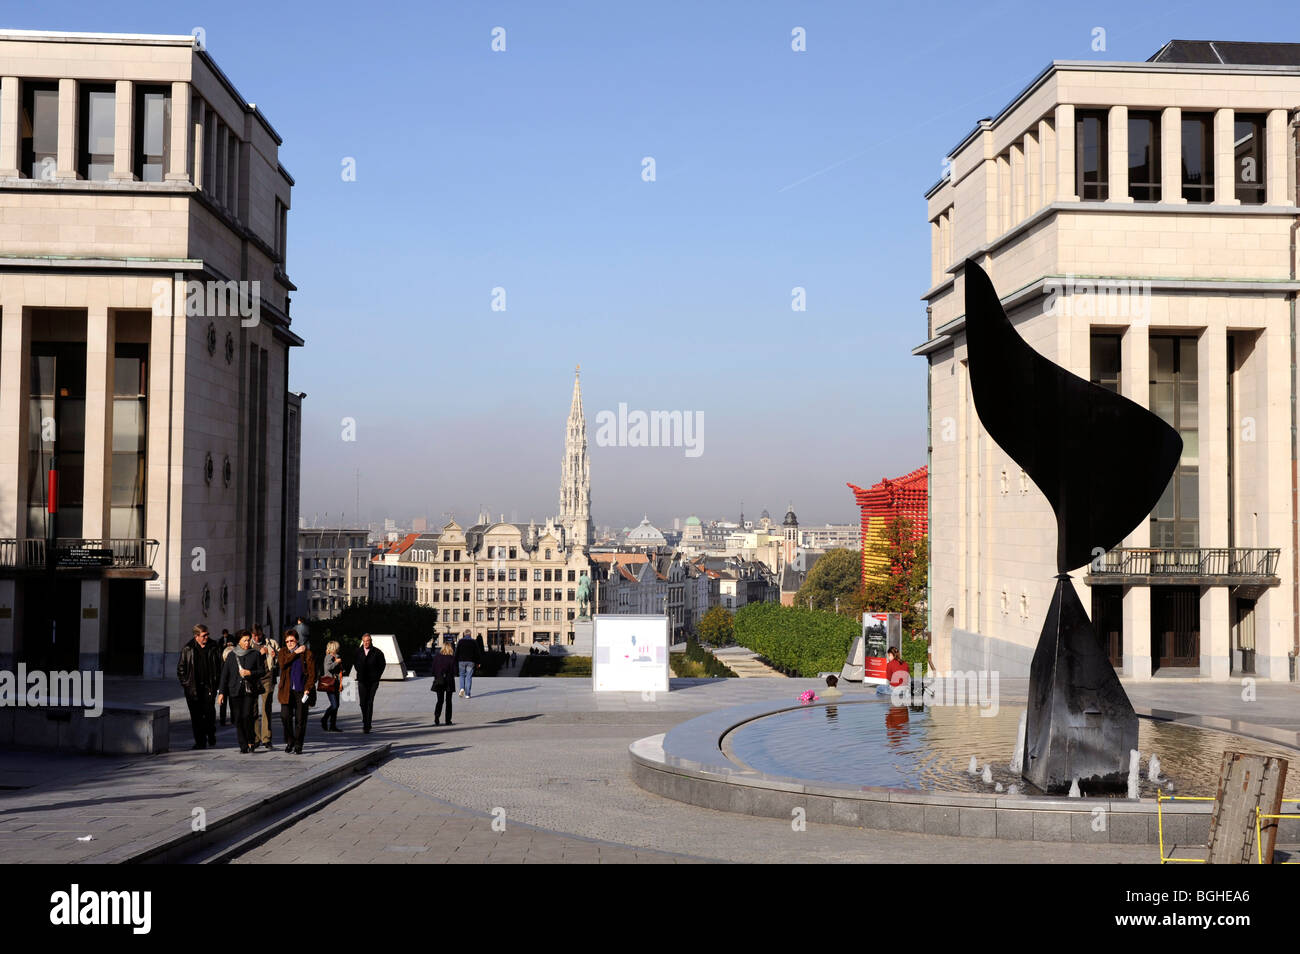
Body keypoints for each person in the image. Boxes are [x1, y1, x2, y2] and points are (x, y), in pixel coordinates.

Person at [217, 630, 265, 753]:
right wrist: (221, 693)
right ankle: (243, 745)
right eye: (245, 640)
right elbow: (224, 675)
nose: (247, 642)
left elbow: (262, 671)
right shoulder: (232, 655)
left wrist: (250, 673)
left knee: (247, 715)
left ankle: (251, 739)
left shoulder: (255, 654)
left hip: (249, 690)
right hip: (234, 690)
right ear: (239, 641)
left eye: (249, 640)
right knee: (237, 718)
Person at [177, 624, 221, 749]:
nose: (206, 637)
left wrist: (217, 683)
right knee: (196, 717)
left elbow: (219, 665)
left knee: (209, 714)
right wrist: (186, 684)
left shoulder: (214, 646)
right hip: (193, 689)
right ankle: (200, 742)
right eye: (204, 635)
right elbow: (181, 669)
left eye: (207, 634)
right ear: (196, 636)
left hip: (209, 687)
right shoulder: (188, 648)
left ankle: (211, 733)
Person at [277, 630, 316, 754]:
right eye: (287, 641)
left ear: (297, 641)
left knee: (300, 719)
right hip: (286, 691)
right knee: (285, 716)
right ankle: (290, 740)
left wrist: (308, 689)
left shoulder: (307, 653)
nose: (289, 643)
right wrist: (295, 653)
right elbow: (282, 664)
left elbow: (312, 674)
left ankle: (298, 744)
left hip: (301, 690)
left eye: (292, 641)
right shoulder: (283, 652)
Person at [352, 633, 386, 733]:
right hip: (362, 680)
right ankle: (365, 718)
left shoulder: (377, 652)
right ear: (362, 641)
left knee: (369, 702)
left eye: (368, 641)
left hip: (373, 681)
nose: (366, 643)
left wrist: (377, 676)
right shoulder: (358, 651)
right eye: (365, 641)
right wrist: (359, 670)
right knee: (363, 703)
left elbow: (382, 665)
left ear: (371, 641)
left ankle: (367, 724)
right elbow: (355, 663)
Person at [319, 639, 343, 732]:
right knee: (334, 705)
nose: (338, 648)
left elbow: (338, 669)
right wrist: (337, 662)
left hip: (336, 683)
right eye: (337, 647)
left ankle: (333, 725)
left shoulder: (336, 656)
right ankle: (324, 719)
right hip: (329, 683)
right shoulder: (328, 657)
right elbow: (328, 668)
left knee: (337, 705)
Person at [430, 641, 456, 726]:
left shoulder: (437, 657)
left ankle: (437, 717)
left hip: (439, 681)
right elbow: (454, 671)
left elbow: (433, 670)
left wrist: (437, 675)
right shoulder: (452, 658)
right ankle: (448, 720)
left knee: (439, 700)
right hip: (449, 681)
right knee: (448, 701)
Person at [455, 629, 481, 699]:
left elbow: (457, 652)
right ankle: (467, 694)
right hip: (471, 661)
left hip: (461, 661)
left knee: (461, 675)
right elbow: (477, 653)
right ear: (470, 634)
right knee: (469, 677)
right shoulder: (474, 642)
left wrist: (455, 660)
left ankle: (462, 688)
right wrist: (478, 662)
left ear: (464, 634)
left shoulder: (460, 641)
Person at [217, 629, 234, 725]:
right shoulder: (222, 662)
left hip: (230, 684)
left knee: (232, 702)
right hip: (224, 684)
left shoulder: (231, 638)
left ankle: (233, 718)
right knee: (223, 702)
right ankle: (223, 719)